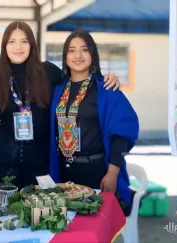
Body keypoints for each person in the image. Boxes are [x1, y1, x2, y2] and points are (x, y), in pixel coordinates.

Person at [0, 22, 122, 189]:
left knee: (40, 212)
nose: (18, 47)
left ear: (32, 44)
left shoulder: (49, 72)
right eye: (11, 41)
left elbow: (78, 78)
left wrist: (106, 77)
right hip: (2, 164)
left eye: (24, 41)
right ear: (4, 46)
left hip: (42, 167)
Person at [49, 30, 139, 215]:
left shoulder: (106, 88)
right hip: (64, 171)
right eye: (72, 50)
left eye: (84, 50)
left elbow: (122, 134)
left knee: (94, 226)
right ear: (65, 56)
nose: (78, 55)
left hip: (96, 171)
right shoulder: (57, 89)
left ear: (93, 54)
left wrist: (112, 174)